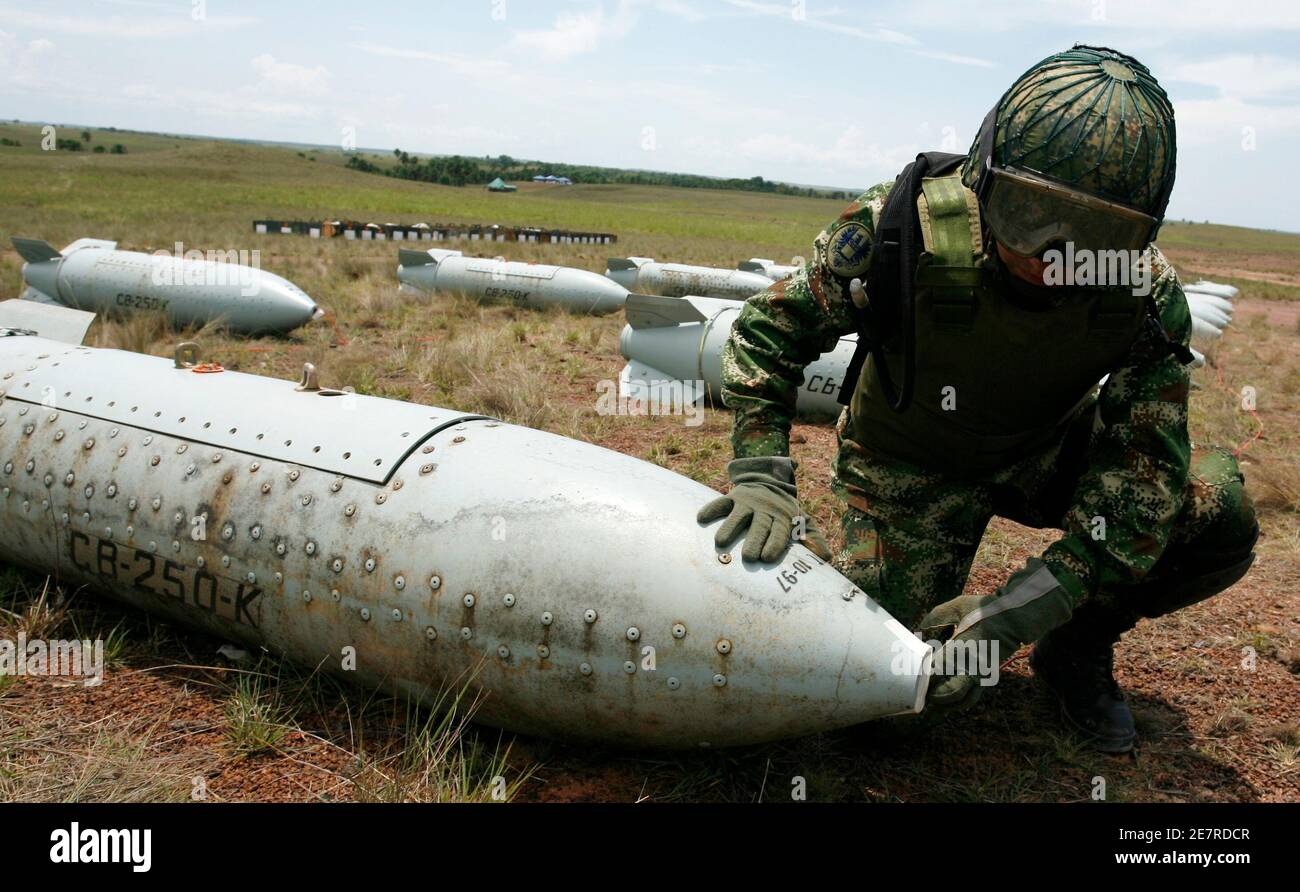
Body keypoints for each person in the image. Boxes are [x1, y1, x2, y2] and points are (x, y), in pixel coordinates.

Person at [697, 45, 1258, 753]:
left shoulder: (1142, 295)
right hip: (908, 465)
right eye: (1029, 214)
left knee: (1216, 511)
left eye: (1097, 235)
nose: (1053, 255)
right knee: (887, 705)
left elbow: (1143, 482)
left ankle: (1077, 646)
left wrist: (1031, 607)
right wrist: (761, 473)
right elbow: (770, 329)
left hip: (1039, 453)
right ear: (984, 175)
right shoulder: (903, 226)